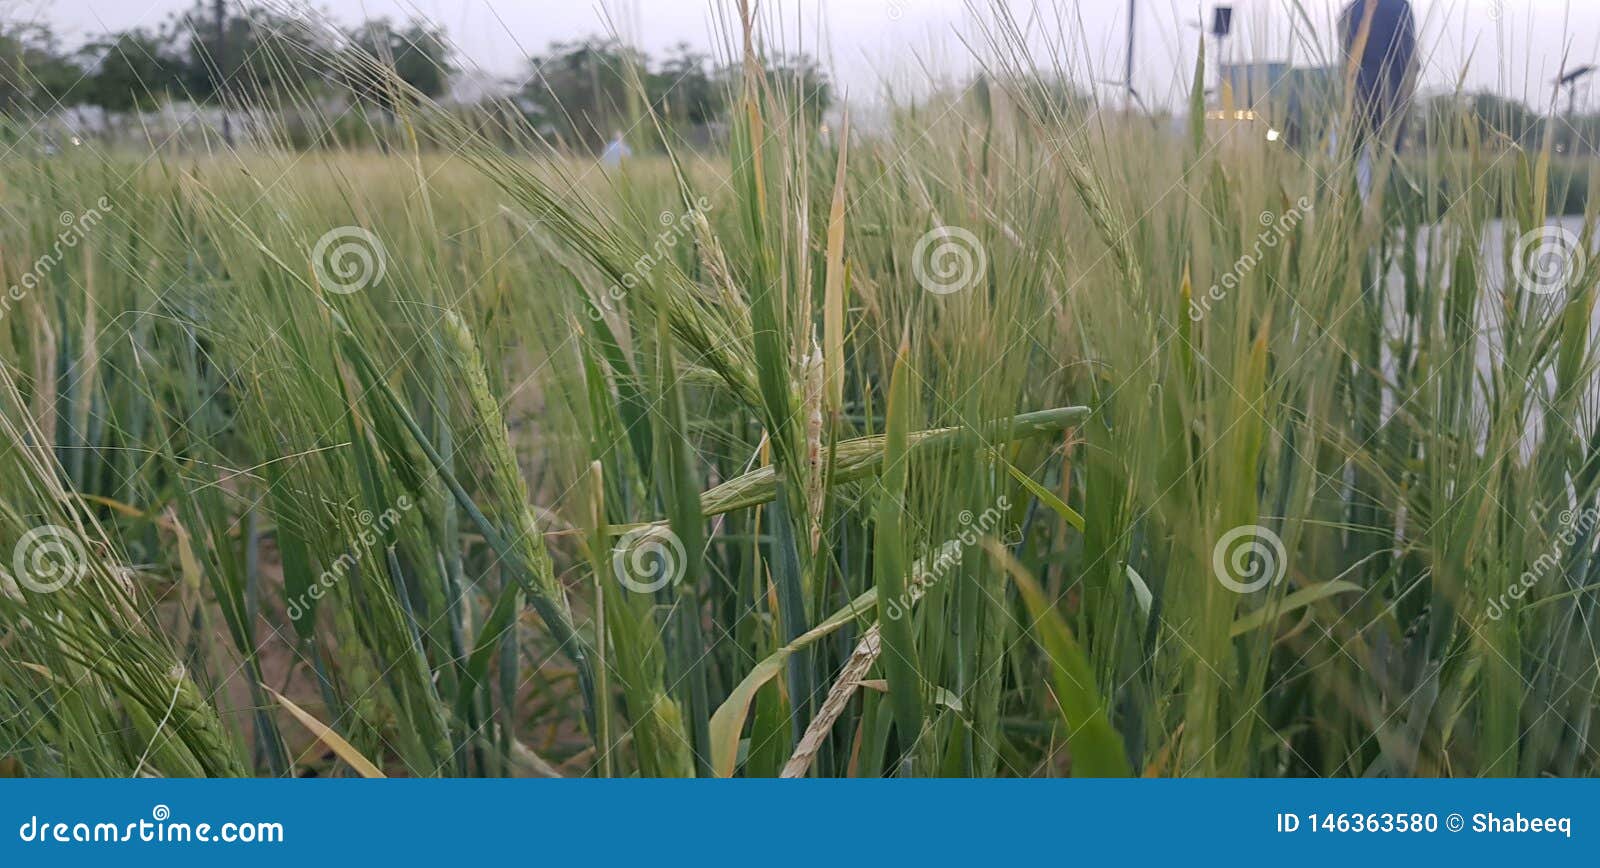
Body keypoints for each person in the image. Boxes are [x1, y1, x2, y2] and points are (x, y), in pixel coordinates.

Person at [1338, 0, 1417, 199]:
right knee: (1381, 180)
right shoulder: (1398, 7)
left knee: (1351, 178)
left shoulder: (1350, 12)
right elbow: (1410, 64)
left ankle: (1356, 222)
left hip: (1358, 107)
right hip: (1386, 108)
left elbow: (1345, 67)